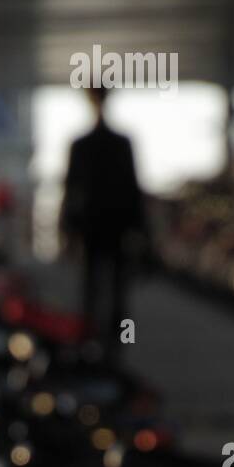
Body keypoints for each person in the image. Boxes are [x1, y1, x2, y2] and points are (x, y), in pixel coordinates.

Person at [61, 87, 148, 345]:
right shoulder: (120, 144)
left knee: (92, 285)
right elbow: (133, 188)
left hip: (93, 224)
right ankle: (115, 340)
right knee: (115, 287)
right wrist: (141, 227)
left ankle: (91, 339)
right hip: (115, 223)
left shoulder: (82, 145)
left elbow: (71, 189)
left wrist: (67, 226)